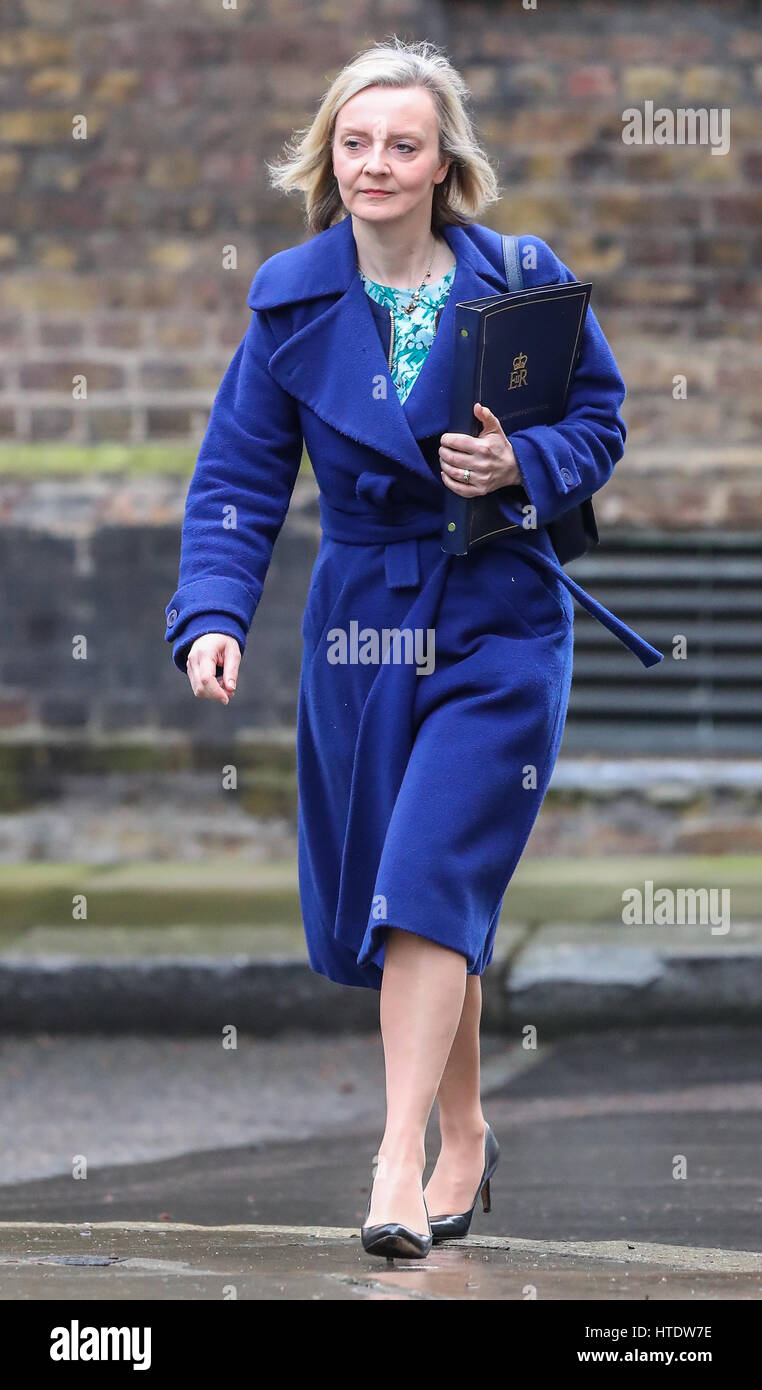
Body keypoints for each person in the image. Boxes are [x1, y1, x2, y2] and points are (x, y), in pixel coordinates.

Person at [164, 37, 663, 1262]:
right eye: (355, 142)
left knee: (432, 867)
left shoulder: (522, 280)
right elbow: (237, 479)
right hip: (362, 631)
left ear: (446, 165)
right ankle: (467, 1131)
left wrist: (522, 465)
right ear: (329, 158)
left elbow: (599, 420)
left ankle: (393, 1165)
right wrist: (213, 614)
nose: (377, 162)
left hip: (501, 615)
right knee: (407, 899)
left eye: (403, 143)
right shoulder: (291, 299)